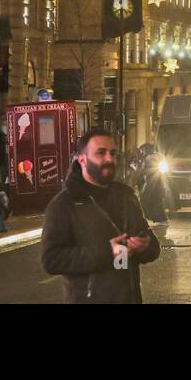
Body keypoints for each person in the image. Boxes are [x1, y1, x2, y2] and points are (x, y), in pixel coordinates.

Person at [40, 129, 161, 303]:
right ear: (82, 159)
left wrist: (144, 246)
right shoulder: (65, 204)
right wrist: (107, 252)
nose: (109, 159)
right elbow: (51, 260)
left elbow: (152, 246)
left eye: (113, 153)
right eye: (101, 153)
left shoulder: (126, 197)